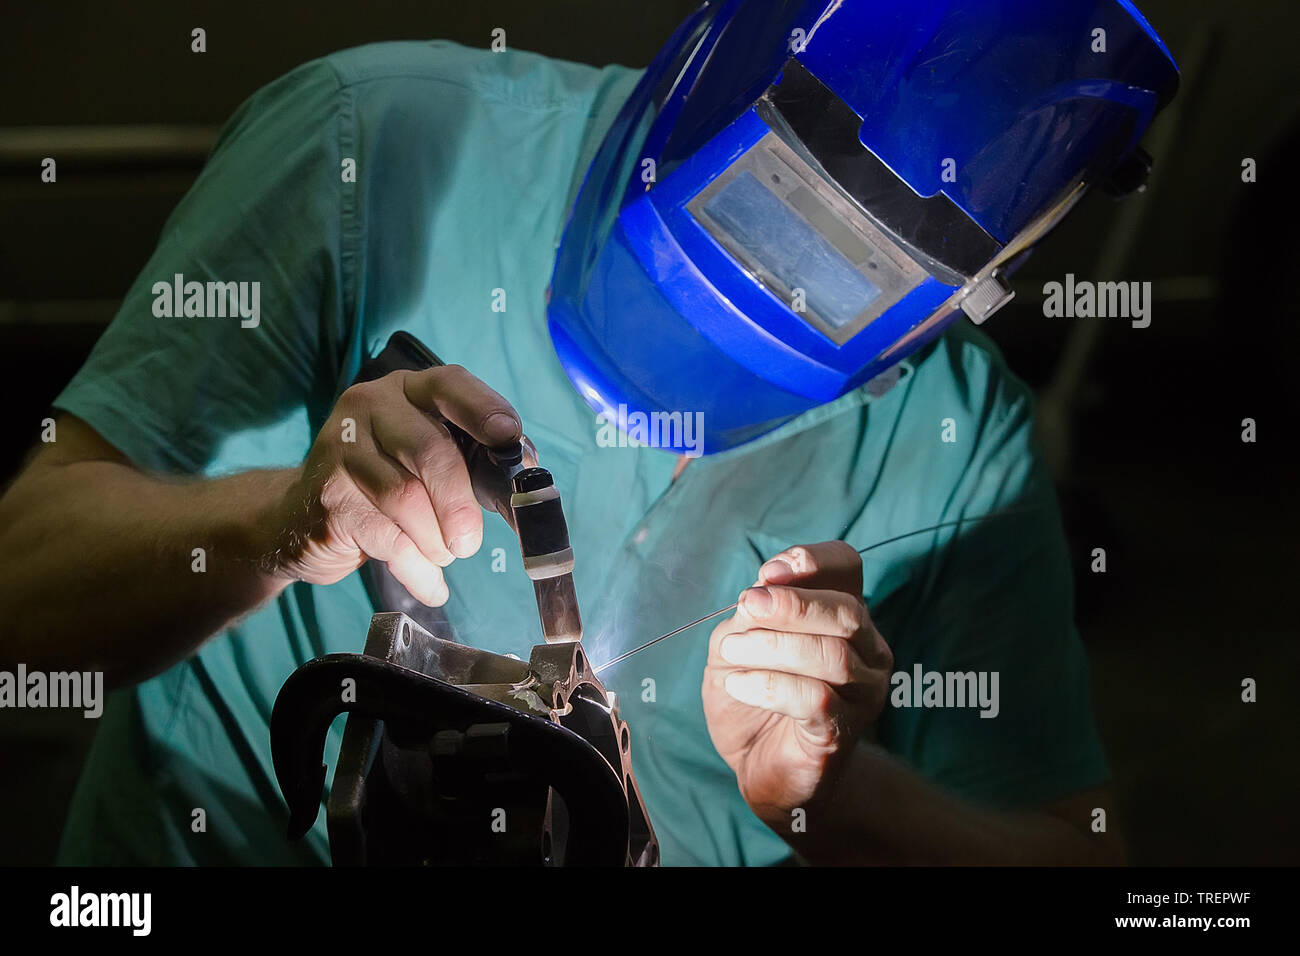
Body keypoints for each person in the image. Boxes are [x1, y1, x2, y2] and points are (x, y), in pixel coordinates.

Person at [0, 0, 1177, 865]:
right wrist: (272, 527)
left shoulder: (954, 435)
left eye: (857, 274)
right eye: (761, 209)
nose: (775, 288)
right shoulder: (367, 149)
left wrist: (827, 794)